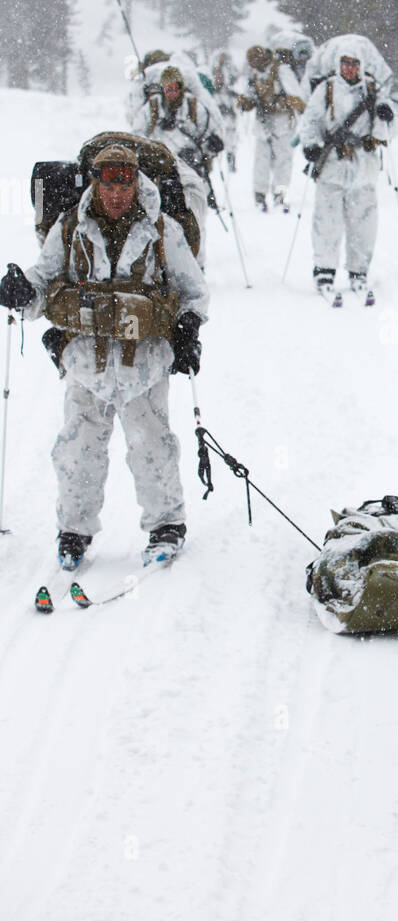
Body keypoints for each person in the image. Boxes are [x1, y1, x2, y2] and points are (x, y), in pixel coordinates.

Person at [0, 141, 209, 569]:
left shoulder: (163, 229)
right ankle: (74, 530)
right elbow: (41, 283)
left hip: (145, 362)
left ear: (136, 181)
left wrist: (188, 328)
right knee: (77, 449)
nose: (116, 193)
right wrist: (22, 292)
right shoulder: (68, 227)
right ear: (94, 181)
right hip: (84, 360)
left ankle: (167, 525)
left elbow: (194, 292)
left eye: (125, 182)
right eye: (107, 181)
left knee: (152, 446)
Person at [298, 34, 396, 301]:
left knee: (363, 223)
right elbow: (311, 120)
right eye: (345, 63)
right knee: (326, 221)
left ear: (361, 64)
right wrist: (310, 144)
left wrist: (387, 117)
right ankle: (324, 270)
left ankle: (358, 271)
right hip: (331, 165)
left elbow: (388, 128)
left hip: (364, 166)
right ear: (338, 64)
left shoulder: (374, 91)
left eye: (353, 63)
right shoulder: (327, 89)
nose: (349, 68)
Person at [133, 65, 223, 268]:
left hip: (192, 173)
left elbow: (211, 133)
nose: (171, 92)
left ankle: (197, 265)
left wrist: (214, 144)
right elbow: (137, 136)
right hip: (160, 173)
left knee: (196, 218)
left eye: (175, 88)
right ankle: (162, 263)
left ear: (181, 88)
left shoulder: (195, 108)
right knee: (159, 219)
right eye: (167, 88)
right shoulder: (151, 109)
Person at [235, 45, 305, 212]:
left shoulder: (281, 71)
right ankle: (260, 195)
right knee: (262, 160)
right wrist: (246, 103)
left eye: (253, 61)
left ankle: (280, 194)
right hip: (263, 122)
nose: (251, 64)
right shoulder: (256, 74)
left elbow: (296, 97)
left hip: (282, 122)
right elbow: (249, 95)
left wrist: (283, 103)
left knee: (283, 160)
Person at [211, 51, 239, 172]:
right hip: (218, 115)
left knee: (230, 138)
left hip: (229, 114)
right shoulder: (214, 70)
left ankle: (231, 159)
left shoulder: (230, 71)